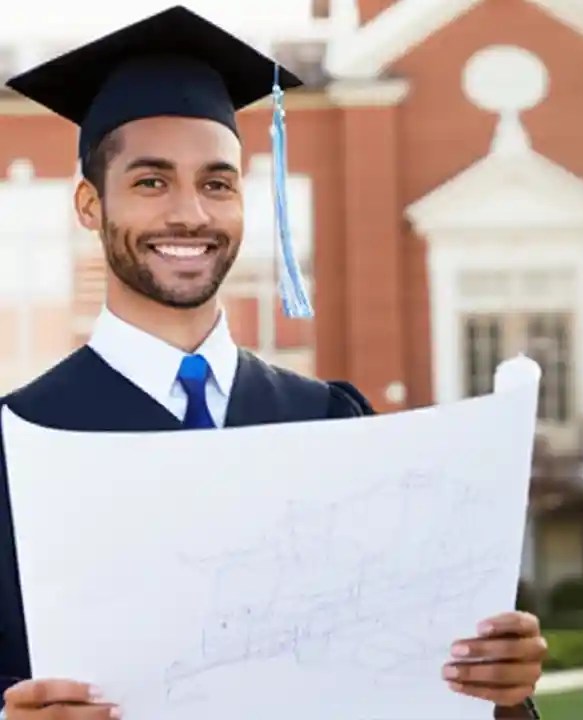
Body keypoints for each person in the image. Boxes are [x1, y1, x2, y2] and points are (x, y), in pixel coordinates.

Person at [0, 6, 544, 719]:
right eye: (151, 182)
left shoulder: (330, 422)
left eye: (217, 183)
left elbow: (404, 682)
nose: (191, 214)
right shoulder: (20, 442)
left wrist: (498, 695)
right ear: (89, 204)